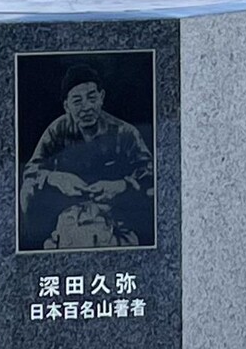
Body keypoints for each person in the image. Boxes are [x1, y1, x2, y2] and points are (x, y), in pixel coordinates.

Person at [19, 62, 155, 250]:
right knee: (28, 189)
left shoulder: (124, 132)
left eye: (91, 98)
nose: (86, 107)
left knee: (152, 192)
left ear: (102, 97)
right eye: (77, 101)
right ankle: (30, 247)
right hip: (69, 201)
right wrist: (54, 178)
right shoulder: (56, 131)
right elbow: (32, 169)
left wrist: (123, 185)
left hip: (114, 203)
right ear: (66, 106)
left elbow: (150, 170)